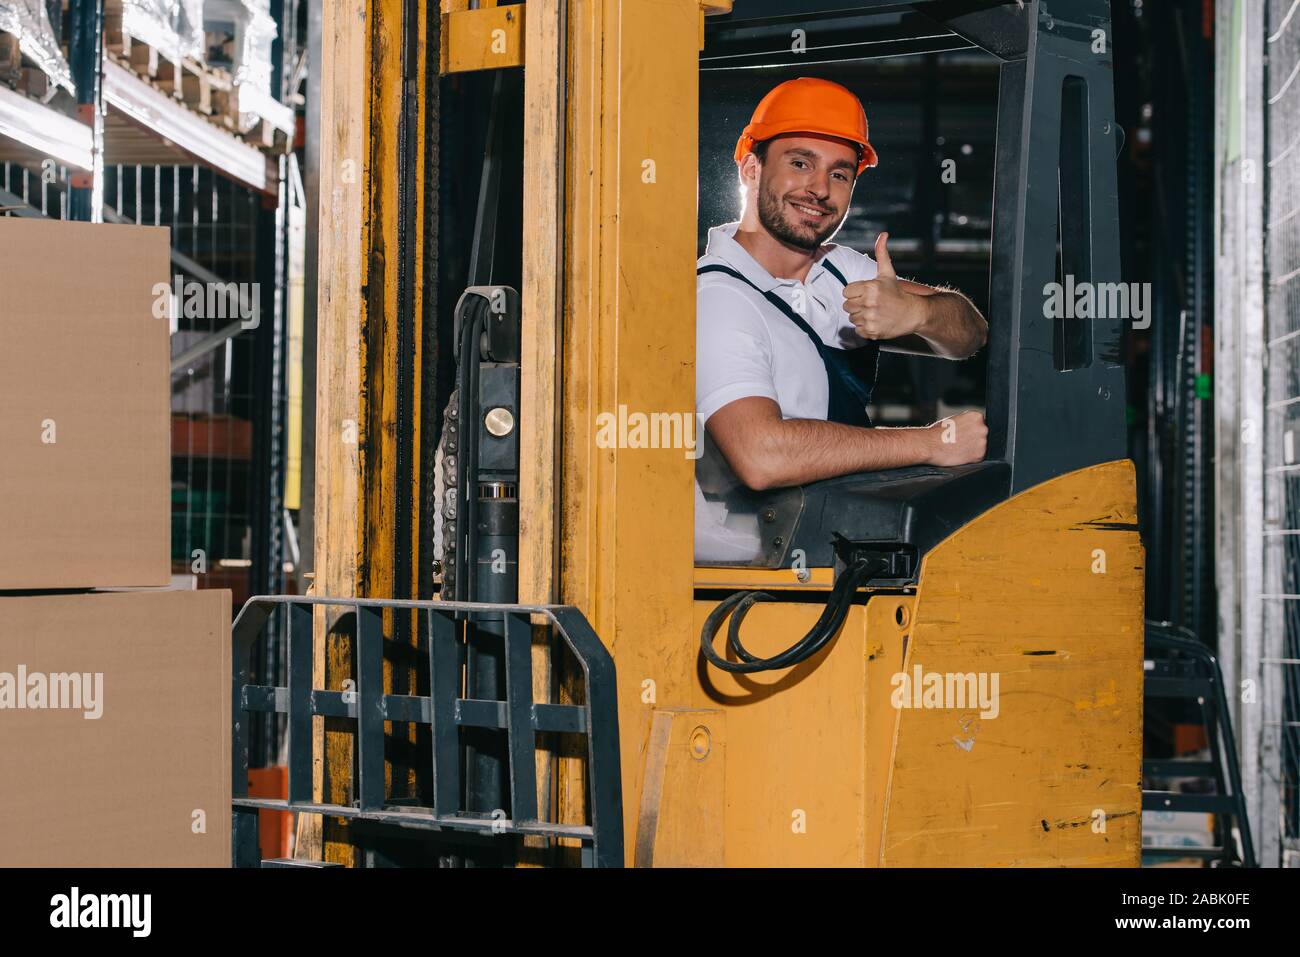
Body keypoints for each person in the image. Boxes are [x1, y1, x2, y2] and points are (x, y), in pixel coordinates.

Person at [696, 77, 989, 562]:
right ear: (750, 168)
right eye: (799, 163)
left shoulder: (838, 268)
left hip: (828, 545)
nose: (819, 189)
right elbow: (762, 457)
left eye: (840, 174)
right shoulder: (719, 297)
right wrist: (931, 443)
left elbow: (969, 333)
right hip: (751, 567)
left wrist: (916, 312)